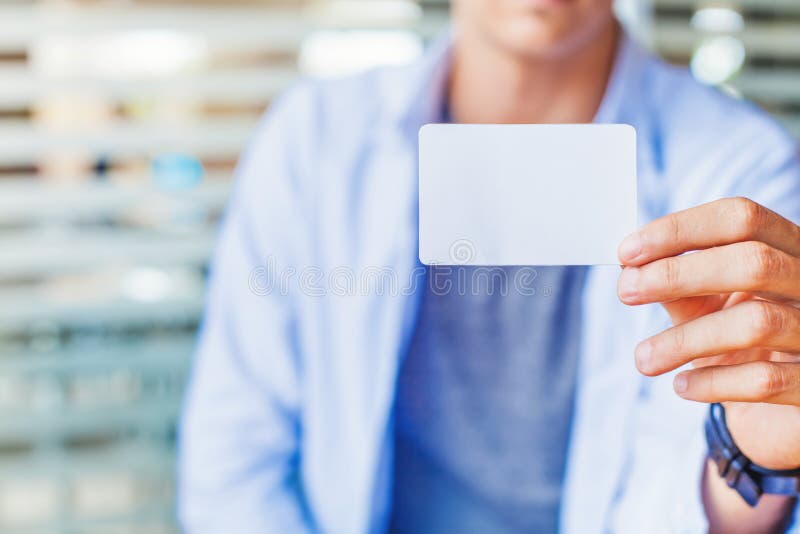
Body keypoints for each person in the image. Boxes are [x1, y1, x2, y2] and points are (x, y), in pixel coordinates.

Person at [178, 0, 800, 532]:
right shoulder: (313, 143)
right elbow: (232, 466)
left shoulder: (745, 182)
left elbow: (720, 485)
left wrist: (753, 455)